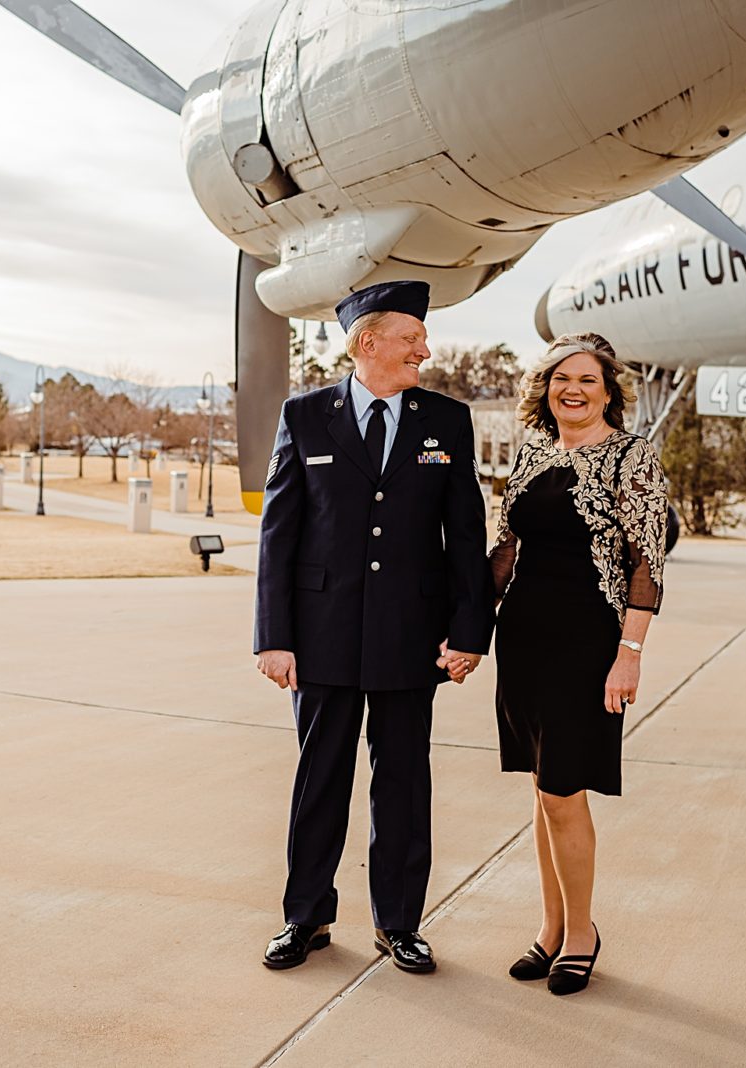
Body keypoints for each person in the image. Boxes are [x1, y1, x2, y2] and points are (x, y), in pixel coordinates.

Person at [254, 279, 494, 974]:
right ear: (368, 343)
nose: (426, 348)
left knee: (404, 783)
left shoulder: (446, 420)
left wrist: (470, 629)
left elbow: (465, 531)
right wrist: (273, 636)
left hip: (411, 636)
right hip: (321, 636)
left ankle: (400, 923)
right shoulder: (304, 416)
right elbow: (279, 534)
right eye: (412, 337)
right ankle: (305, 918)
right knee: (318, 779)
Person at [488, 331, 669, 995]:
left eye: (588, 380)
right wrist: (472, 631)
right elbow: (505, 549)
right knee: (542, 788)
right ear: (545, 387)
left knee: (564, 787)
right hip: (525, 640)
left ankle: (584, 931)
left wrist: (630, 653)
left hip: (588, 642)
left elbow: (648, 560)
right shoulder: (533, 452)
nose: (574, 389)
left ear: (608, 390)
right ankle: (551, 928)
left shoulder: (630, 457)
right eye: (562, 378)